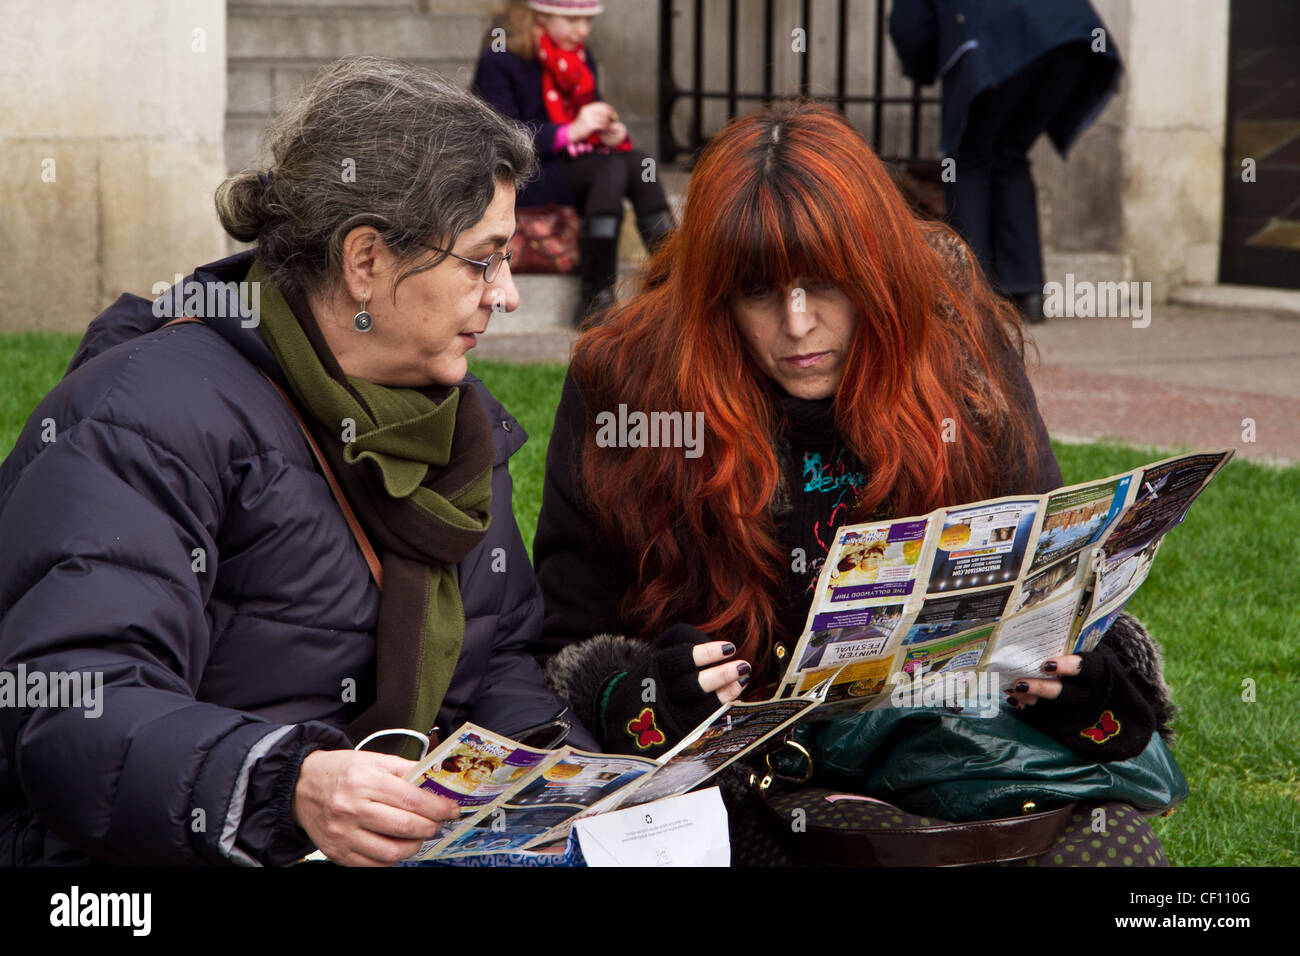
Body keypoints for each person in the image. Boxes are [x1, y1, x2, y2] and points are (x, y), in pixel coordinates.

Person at [532, 100, 1174, 865]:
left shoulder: (954, 341)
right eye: (759, 292)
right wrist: (643, 695)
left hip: (956, 760)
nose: (798, 325)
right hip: (745, 789)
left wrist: (1089, 686)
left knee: (1115, 855)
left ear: (878, 273)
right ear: (714, 297)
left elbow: (1049, 582)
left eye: (825, 284)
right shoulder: (629, 380)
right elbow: (562, 652)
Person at [0, 56, 595, 868]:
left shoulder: (452, 426)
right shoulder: (149, 414)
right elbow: (72, 705)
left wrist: (570, 777)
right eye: (483, 259)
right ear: (366, 261)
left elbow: (497, 664)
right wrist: (289, 786)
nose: (507, 293)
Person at [889, 0, 1122, 322]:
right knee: (1008, 153)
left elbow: (910, 27)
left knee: (967, 161)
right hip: (1073, 38)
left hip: (1002, 42)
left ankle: (973, 295)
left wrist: (922, 67)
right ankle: (1027, 292)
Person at [473, 0, 675, 325]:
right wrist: (570, 132)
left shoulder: (581, 58)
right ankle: (597, 297)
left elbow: (587, 119)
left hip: (578, 169)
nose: (583, 30)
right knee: (609, 170)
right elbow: (500, 138)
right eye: (572, 19)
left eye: (587, 20)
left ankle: (677, 279)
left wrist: (604, 131)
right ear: (539, 14)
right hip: (522, 176)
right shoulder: (500, 58)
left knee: (638, 164)